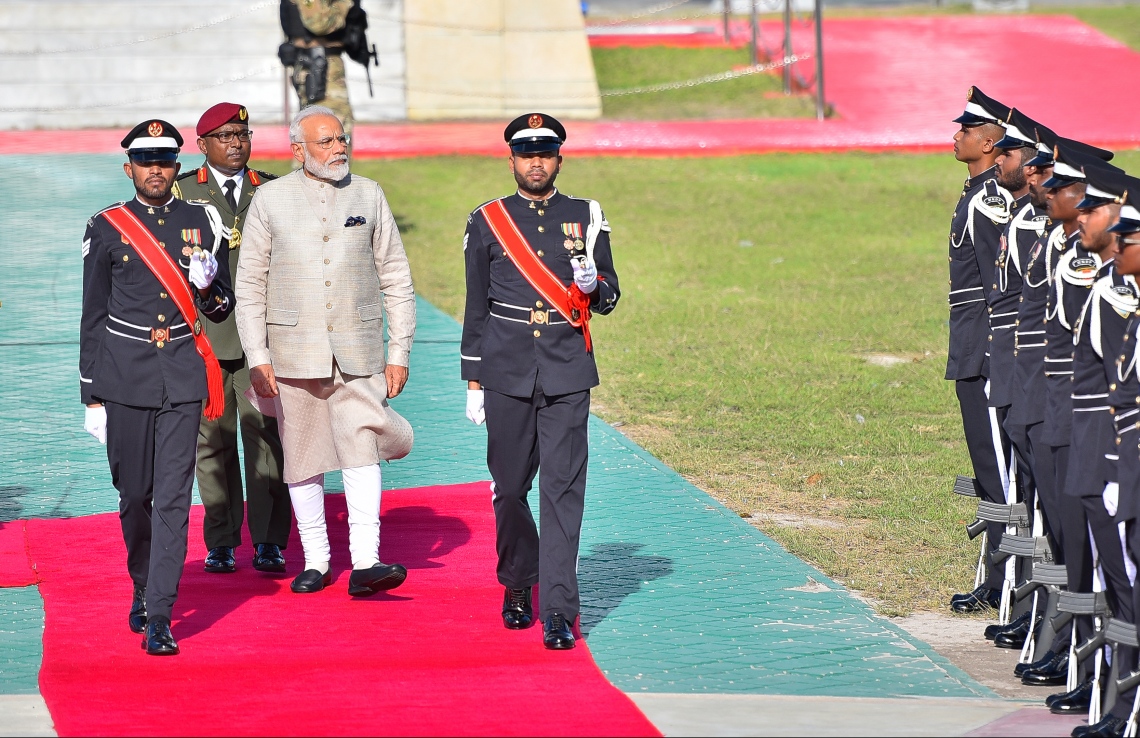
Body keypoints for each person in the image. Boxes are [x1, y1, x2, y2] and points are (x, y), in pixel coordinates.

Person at [235, 105, 415, 597]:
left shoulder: (369, 194)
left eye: (341, 139)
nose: (340, 149)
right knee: (303, 456)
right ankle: (316, 560)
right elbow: (249, 284)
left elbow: (395, 275)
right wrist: (258, 356)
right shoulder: (269, 200)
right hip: (293, 352)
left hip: (359, 349)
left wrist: (399, 349)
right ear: (298, 151)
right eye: (327, 142)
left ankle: (367, 562)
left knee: (362, 448)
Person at [460, 113, 620, 649]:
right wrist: (473, 379)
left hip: (566, 366)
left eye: (544, 153)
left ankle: (557, 608)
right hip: (505, 368)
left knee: (562, 490)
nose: (535, 162)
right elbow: (475, 306)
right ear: (511, 160)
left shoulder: (587, 215)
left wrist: (593, 284)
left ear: (558, 158)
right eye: (526, 154)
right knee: (509, 490)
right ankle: (517, 582)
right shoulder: (487, 220)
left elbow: (611, 296)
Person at [80, 119, 233, 655]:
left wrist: (210, 284)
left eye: (165, 161)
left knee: (172, 497)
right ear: (130, 168)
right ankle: (142, 583)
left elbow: (220, 307)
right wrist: (90, 393)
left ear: (176, 166)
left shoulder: (202, 220)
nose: (156, 170)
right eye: (146, 161)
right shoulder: (106, 227)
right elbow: (93, 314)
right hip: (124, 376)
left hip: (183, 375)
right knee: (134, 496)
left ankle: (161, 612)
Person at [172, 102, 292, 576]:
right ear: (202, 146)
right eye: (224, 136)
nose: (237, 142)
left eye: (242, 134)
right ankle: (221, 540)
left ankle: (268, 541)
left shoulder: (275, 190)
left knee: (265, 438)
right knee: (211, 442)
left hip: (261, 338)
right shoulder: (182, 192)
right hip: (203, 338)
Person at [946, 87, 1017, 614]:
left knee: (998, 471)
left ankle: (1010, 581)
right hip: (971, 347)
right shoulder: (973, 193)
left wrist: (998, 352)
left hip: (988, 349)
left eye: (966, 131)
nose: (956, 136)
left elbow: (1005, 284)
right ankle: (1000, 575)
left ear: (990, 142)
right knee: (985, 466)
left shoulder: (990, 200)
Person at [982, 108, 1051, 649]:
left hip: (1045, 388)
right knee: (1026, 495)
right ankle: (1033, 609)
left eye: (1007, 154)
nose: (1000, 163)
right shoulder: (1021, 219)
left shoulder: (1045, 232)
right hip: (1015, 373)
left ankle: (1051, 625)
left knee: (1047, 509)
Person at [279, 0, 355, 137]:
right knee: (330, 131)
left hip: (322, 62)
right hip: (319, 64)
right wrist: (345, 3)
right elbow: (318, 23)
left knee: (318, 131)